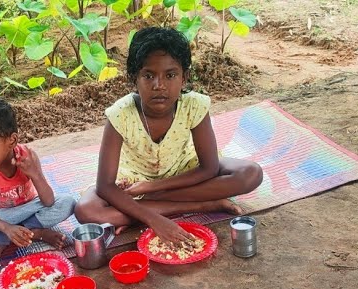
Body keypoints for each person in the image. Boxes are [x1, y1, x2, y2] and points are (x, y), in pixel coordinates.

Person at [73, 27, 263, 247]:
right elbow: (105, 186)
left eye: (170, 75)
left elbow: (208, 168)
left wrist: (151, 189)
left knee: (251, 173)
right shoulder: (119, 114)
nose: (159, 85)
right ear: (134, 78)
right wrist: (154, 220)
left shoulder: (194, 105)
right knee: (86, 210)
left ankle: (140, 207)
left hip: (182, 171)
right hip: (134, 179)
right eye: (148, 75)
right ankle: (203, 205)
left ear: (184, 78)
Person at [0, 96, 76, 260]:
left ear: (11, 141)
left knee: (68, 202)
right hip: (1, 217)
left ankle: (6, 239)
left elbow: (48, 201)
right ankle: (35, 234)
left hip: (29, 209)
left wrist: (34, 174)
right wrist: (7, 228)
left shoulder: (27, 157)